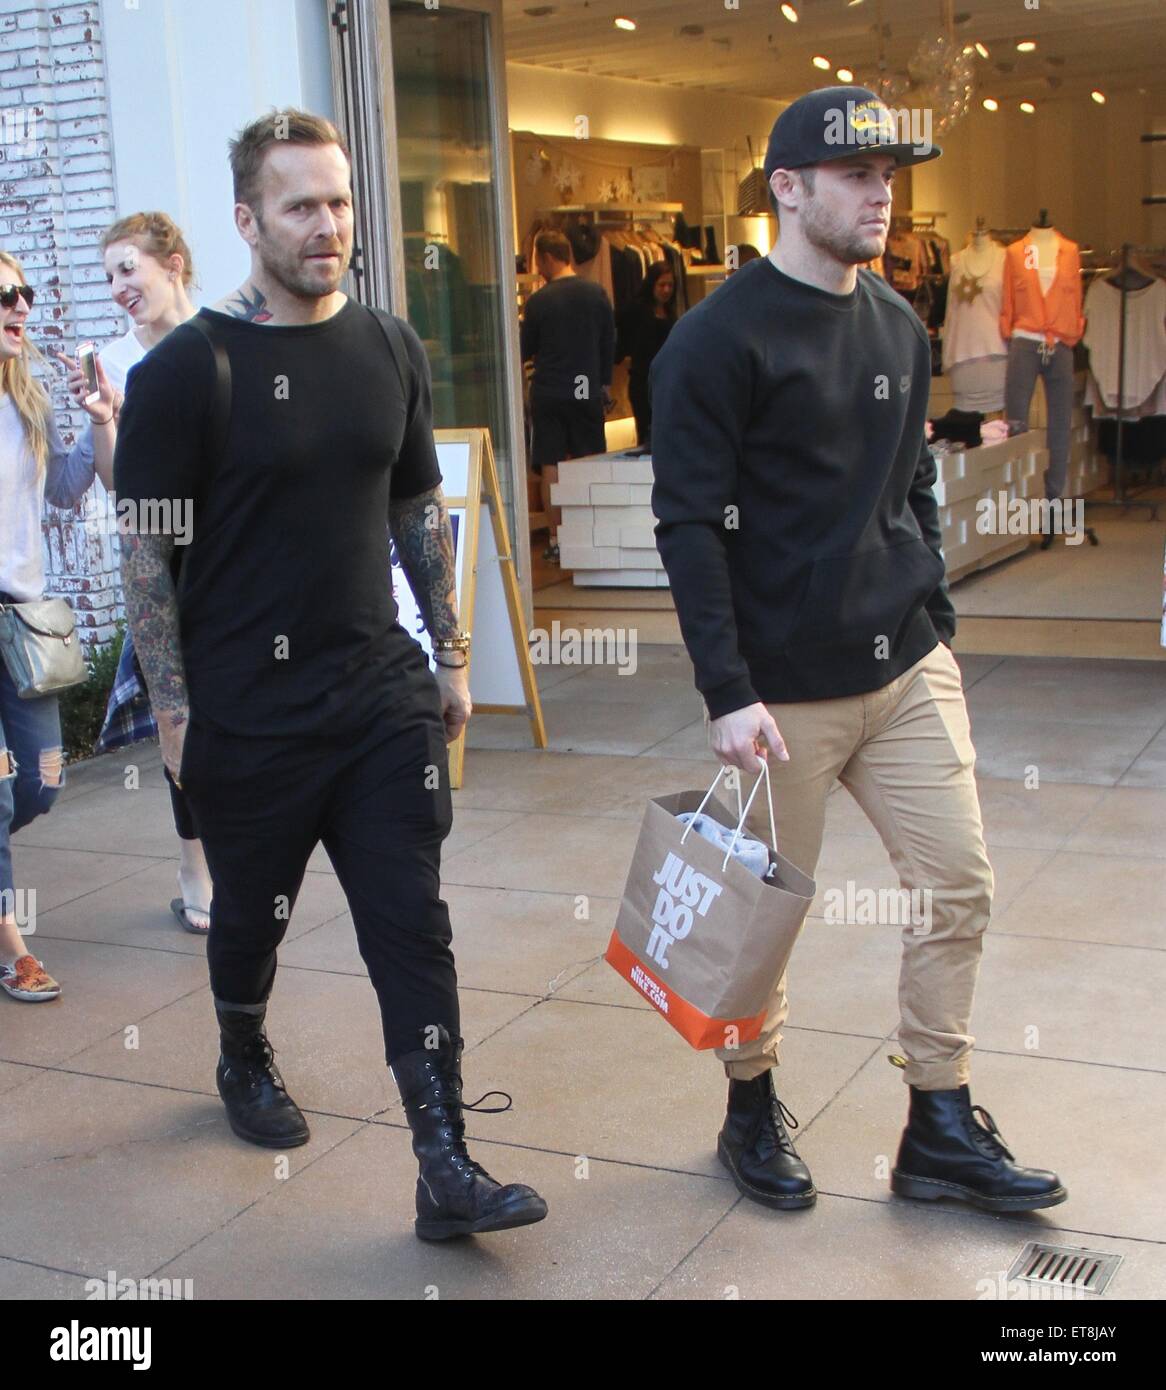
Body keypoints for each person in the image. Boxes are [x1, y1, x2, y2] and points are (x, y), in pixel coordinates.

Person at [112, 108, 547, 1242]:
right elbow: (144, 554)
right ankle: (242, 1046)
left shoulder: (390, 347)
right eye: (301, 204)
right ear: (248, 218)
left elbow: (413, 506)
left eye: (340, 201)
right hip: (246, 717)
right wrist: (171, 712)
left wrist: (449, 651)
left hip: (377, 698)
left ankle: (443, 1160)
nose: (328, 225)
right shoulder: (183, 370)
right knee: (250, 922)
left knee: (413, 923)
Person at [651, 87, 1065, 1215]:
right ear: (786, 188)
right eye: (855, 175)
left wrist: (928, 599)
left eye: (889, 174)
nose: (881, 194)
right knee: (761, 915)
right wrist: (724, 689)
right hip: (780, 696)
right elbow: (687, 523)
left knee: (956, 885)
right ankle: (748, 1105)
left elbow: (906, 484)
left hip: (904, 667)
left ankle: (936, 1118)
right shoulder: (713, 340)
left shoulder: (891, 319)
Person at [57, 212, 213, 934]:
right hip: (159, 567)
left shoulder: (224, 339)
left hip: (229, 552)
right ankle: (196, 866)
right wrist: (106, 417)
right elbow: (121, 484)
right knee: (176, 718)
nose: (120, 286)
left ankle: (247, 855)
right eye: (109, 275)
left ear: (172, 262)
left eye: (129, 268)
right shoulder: (116, 363)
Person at [0, 252, 97, 1001]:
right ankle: (14, 949)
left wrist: (97, 424)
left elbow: (64, 492)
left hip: (21, 622)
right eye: (5, 295)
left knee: (40, 782)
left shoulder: (26, 400)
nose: (20, 305)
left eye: (24, 292)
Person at [520, 229, 615, 562]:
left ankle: (558, 537)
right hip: (585, 387)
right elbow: (608, 342)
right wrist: (604, 383)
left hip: (549, 391)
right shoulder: (595, 294)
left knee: (551, 464)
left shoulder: (539, 301)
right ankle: (595, 532)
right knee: (591, 461)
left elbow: (525, 348)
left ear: (546, 258)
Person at [615, 261, 676, 449]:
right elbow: (622, 336)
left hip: (666, 382)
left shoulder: (670, 312)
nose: (666, 290)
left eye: (670, 285)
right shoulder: (637, 310)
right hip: (643, 382)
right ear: (652, 284)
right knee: (647, 432)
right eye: (661, 285)